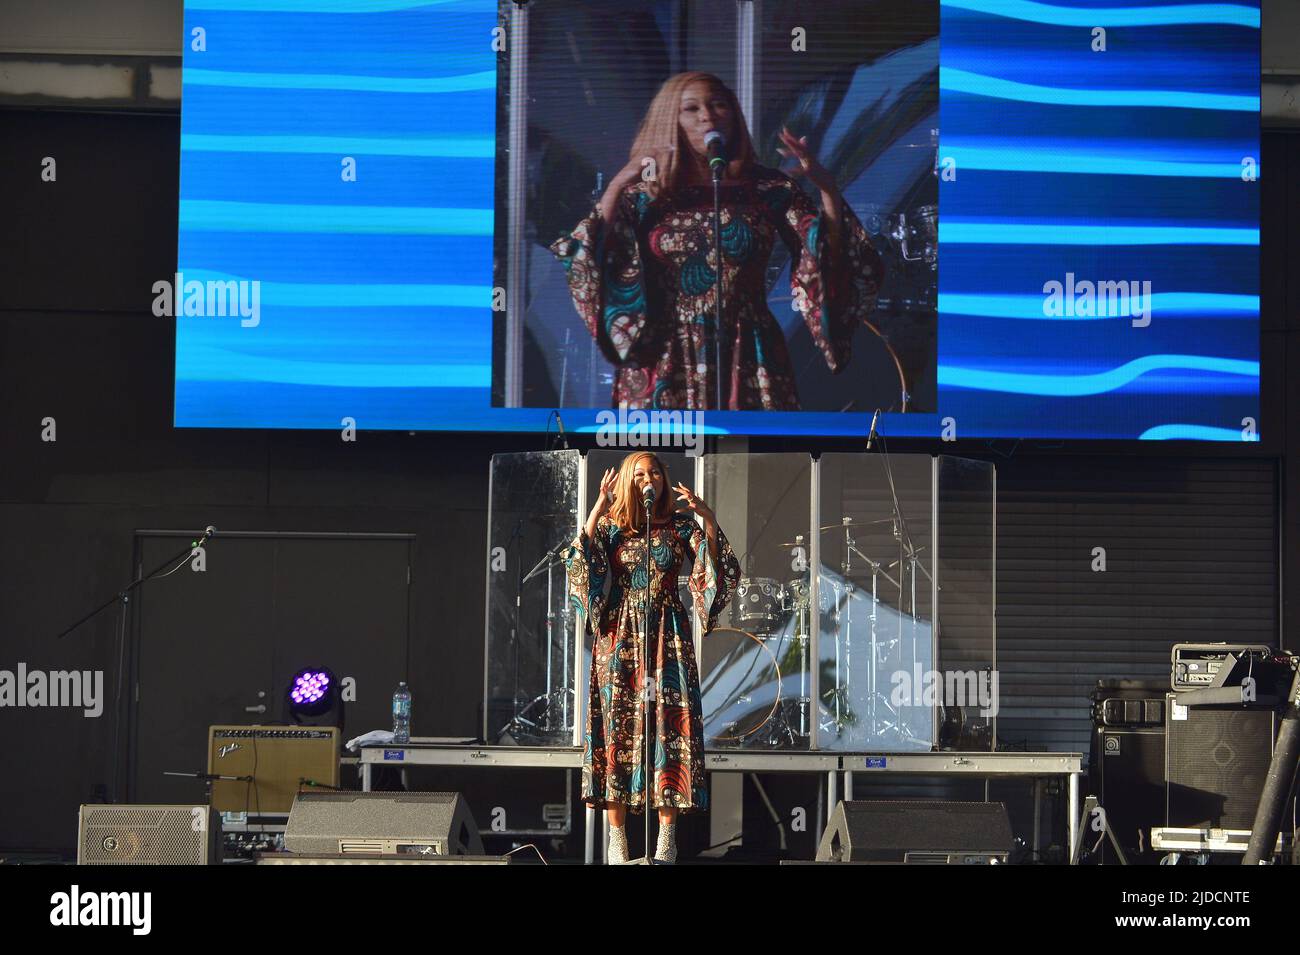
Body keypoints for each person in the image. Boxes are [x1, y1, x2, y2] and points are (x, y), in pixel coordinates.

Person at [550, 70, 884, 411]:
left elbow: (829, 250)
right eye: (691, 108)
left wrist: (825, 186)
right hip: (664, 354)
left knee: (749, 460)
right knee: (664, 462)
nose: (707, 115)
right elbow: (586, 256)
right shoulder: (644, 195)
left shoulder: (769, 188)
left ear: (734, 115)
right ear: (672, 121)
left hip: (748, 350)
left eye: (718, 105)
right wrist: (619, 183)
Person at [565, 451, 740, 863]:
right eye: (640, 473)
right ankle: (618, 841)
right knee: (617, 731)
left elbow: (718, 569)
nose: (649, 479)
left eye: (655, 472)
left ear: (663, 479)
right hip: (619, 635)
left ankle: (666, 840)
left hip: (668, 635)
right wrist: (596, 510)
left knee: (669, 729)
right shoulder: (612, 527)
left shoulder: (680, 525)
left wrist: (708, 518)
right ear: (629, 480)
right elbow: (580, 568)